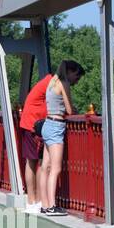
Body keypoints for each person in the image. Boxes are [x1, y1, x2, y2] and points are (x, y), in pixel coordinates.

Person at [37, 60, 85, 217]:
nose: (75, 81)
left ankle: (44, 204)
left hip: (47, 124)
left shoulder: (52, 81)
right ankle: (52, 206)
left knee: (45, 167)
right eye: (76, 77)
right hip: (56, 126)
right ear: (71, 72)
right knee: (55, 169)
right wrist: (74, 109)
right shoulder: (63, 84)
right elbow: (69, 109)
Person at [18, 71, 52, 211]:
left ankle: (34, 200)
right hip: (33, 125)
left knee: (33, 161)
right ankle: (34, 200)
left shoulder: (47, 82)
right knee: (34, 161)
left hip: (31, 123)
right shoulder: (52, 83)